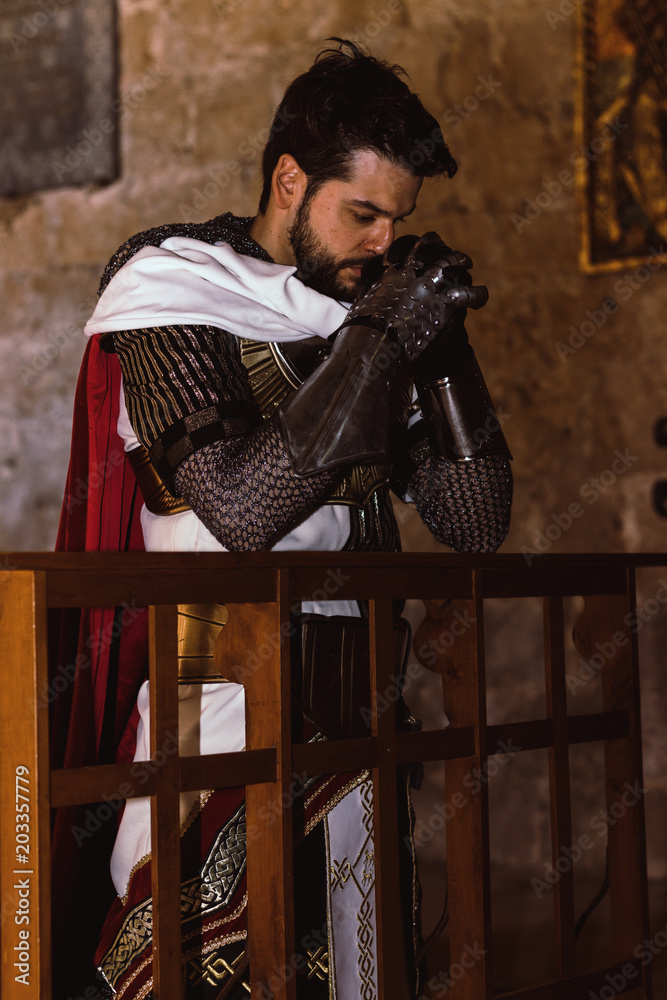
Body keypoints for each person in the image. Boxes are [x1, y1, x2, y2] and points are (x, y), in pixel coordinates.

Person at [54, 39, 512, 1000]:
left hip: (362, 722)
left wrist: (443, 352)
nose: (384, 243)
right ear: (290, 180)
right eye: (363, 214)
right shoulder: (174, 292)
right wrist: (386, 335)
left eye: (400, 221)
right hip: (214, 715)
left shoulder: (361, 307)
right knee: (222, 968)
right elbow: (242, 505)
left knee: (353, 967)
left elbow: (474, 521)